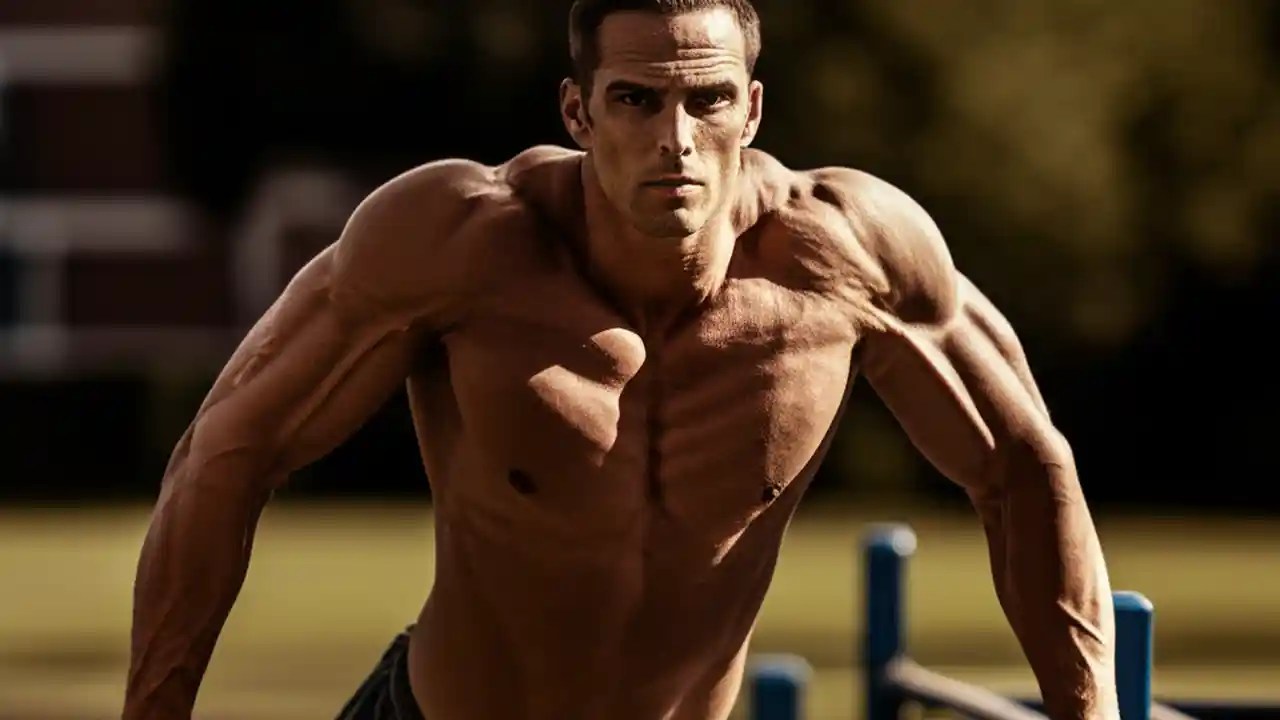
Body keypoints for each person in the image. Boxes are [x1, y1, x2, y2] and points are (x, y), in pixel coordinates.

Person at [122, 1, 1120, 718]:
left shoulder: (848, 259)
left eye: (708, 100)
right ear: (577, 112)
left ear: (753, 109)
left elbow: (1023, 463)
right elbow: (226, 450)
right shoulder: (457, 241)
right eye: (636, 101)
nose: (675, 140)